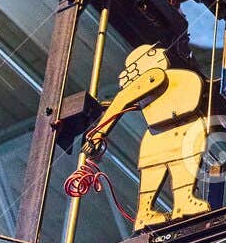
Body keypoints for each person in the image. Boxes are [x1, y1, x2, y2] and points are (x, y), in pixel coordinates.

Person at [85, 46, 209, 229]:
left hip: (178, 130)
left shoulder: (156, 86)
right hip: (163, 133)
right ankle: (146, 213)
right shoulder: (153, 76)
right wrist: (98, 134)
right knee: (155, 172)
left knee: (179, 167)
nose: (160, 52)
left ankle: (182, 203)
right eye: (152, 52)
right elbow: (122, 100)